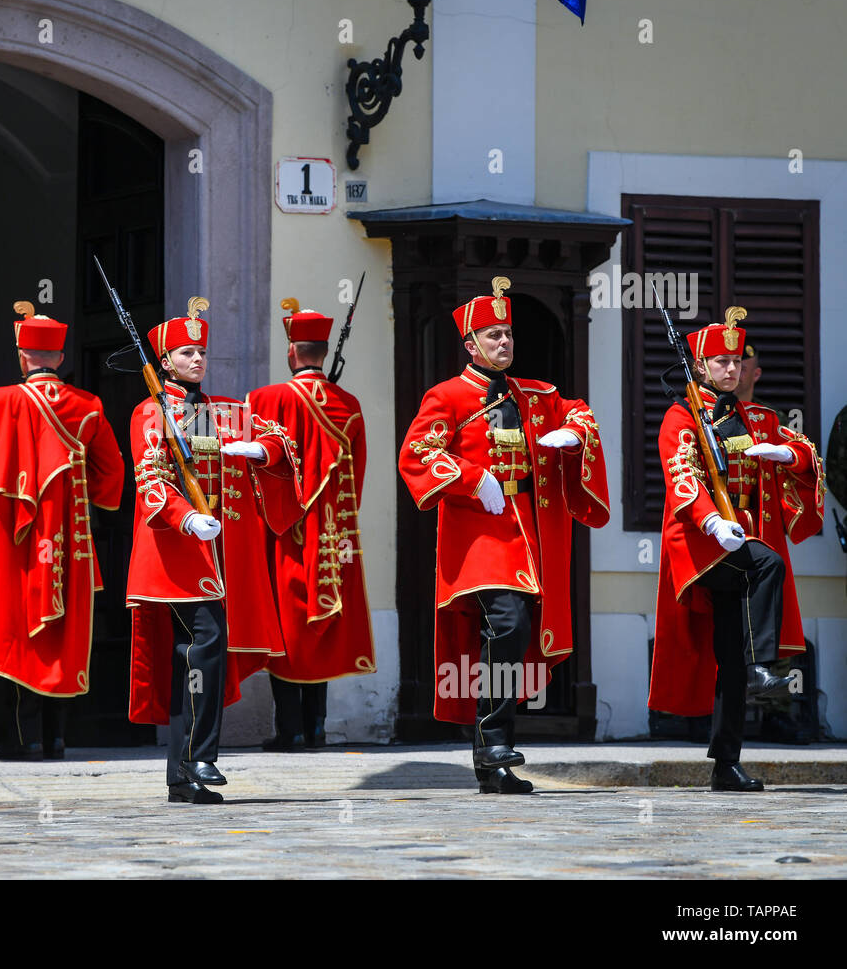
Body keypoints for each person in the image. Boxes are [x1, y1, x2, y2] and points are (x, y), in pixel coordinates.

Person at [398, 277, 609, 794]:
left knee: (512, 638)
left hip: (528, 531)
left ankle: (492, 761)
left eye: (508, 335)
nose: (504, 343)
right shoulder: (445, 396)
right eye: (493, 336)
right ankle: (493, 741)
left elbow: (580, 410)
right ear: (470, 345)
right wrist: (472, 478)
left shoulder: (534, 394)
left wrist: (575, 432)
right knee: (507, 623)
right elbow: (416, 453)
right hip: (479, 534)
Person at [0, 303, 124, 759]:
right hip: (68, 541)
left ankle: (24, 736)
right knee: (61, 631)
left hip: (11, 544)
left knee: (16, 631)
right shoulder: (88, 406)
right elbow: (112, 473)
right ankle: (56, 737)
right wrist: (84, 494)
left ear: (22, 357)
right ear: (58, 357)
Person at [126, 297, 302, 803]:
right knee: (205, 643)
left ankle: (183, 773)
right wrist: (186, 518)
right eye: (186, 353)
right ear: (166, 363)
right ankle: (201, 755)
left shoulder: (226, 411)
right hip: (176, 556)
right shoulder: (153, 412)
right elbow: (150, 481)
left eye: (201, 351)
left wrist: (260, 450)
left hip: (220, 559)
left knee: (194, 656)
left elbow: (281, 441)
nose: (197, 360)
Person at [648, 308, 824, 791]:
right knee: (766, 563)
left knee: (729, 653)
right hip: (703, 544)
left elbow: (806, 451)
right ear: (699, 367)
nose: (731, 370)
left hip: (739, 543)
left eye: (735, 362)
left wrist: (790, 455)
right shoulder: (682, 415)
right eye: (719, 362)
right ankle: (762, 665)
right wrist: (710, 519)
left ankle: (726, 763)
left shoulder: (759, 418)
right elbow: (680, 473)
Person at [247, 299, 375, 751]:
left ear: (291, 353)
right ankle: (316, 727)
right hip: (335, 531)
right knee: (324, 622)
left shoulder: (266, 399)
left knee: (287, 625)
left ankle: (291, 729)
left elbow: (255, 471)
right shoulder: (350, 404)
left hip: (285, 530)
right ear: (323, 353)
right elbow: (355, 476)